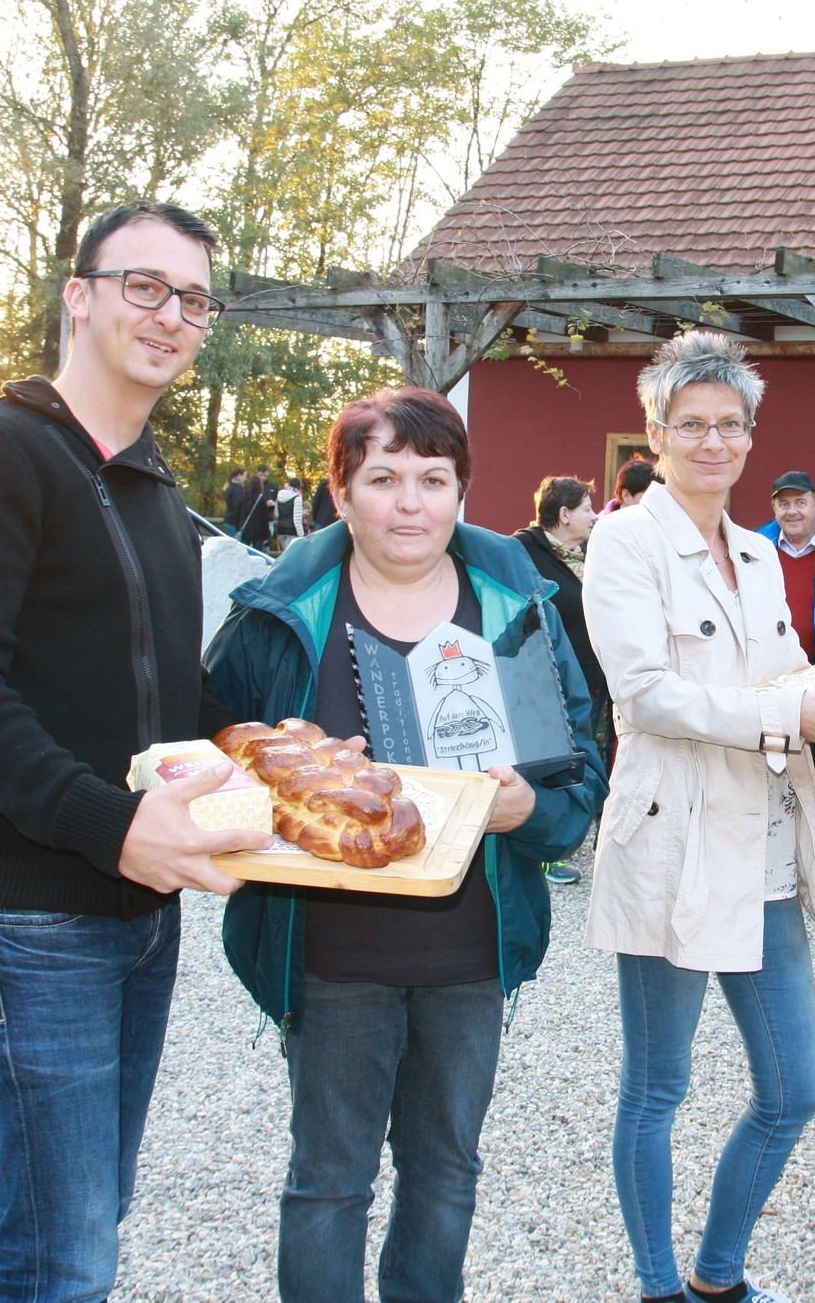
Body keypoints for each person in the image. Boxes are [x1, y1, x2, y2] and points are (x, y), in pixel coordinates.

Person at [0, 201, 271, 1301]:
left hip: (134, 912)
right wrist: (115, 829)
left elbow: (159, 680)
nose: (169, 316)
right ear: (80, 294)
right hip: (24, 916)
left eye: (194, 299)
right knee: (60, 1252)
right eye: (143, 286)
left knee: (90, 1219)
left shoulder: (152, 483)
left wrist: (238, 736)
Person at [205, 388, 607, 1303]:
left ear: (463, 490)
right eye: (383, 478)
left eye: (434, 478)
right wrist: (267, 805)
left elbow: (581, 765)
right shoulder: (281, 613)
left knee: (444, 1176)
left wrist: (527, 816)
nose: (410, 502)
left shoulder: (516, 607)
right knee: (329, 1183)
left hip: (469, 952)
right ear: (342, 492)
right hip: (332, 955)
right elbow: (209, 758)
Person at [585, 330, 815, 1303]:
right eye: (690, 425)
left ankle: (718, 1275)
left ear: (750, 437)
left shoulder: (755, 553)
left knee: (793, 1090)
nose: (712, 443)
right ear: (656, 434)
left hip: (765, 855)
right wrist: (791, 708)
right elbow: (648, 695)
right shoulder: (623, 541)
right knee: (657, 1089)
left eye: (729, 425)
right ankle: (660, 1287)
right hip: (671, 843)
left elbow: (784, 678)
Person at [516, 473, 605, 884]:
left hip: (589, 679)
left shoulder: (585, 556)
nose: (594, 515)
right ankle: (550, 855)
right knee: (553, 762)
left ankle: (573, 838)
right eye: (587, 508)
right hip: (545, 684)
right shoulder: (523, 551)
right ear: (564, 514)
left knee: (584, 760)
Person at [755, 470, 815, 664]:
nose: (792, 511)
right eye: (784, 504)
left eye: (800, 503)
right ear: (774, 508)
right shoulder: (753, 553)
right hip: (768, 671)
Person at [240, 464, 277, 547]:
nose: (263, 478)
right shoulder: (252, 495)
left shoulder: (273, 486)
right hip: (256, 527)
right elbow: (264, 517)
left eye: (265, 476)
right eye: (261, 475)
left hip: (252, 526)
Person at [276, 475, 308, 542]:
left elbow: (276, 514)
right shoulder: (297, 498)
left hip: (280, 528)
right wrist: (301, 535)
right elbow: (297, 519)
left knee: (284, 551)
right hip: (291, 530)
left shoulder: (279, 496)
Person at [225, 465, 250, 533]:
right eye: (244, 476)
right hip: (234, 521)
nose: (245, 479)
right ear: (239, 476)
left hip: (230, 519)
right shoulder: (236, 489)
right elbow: (238, 505)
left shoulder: (231, 486)